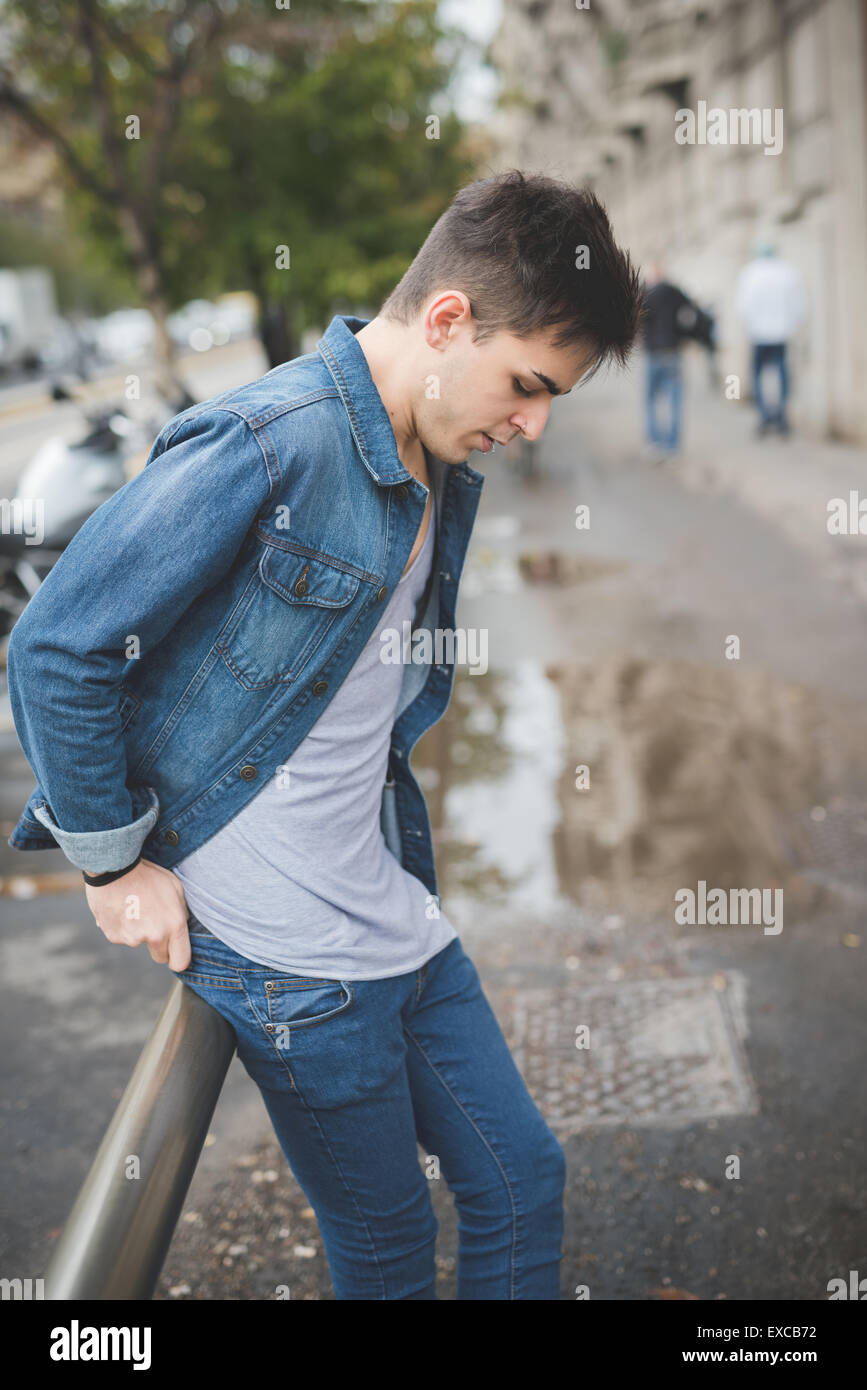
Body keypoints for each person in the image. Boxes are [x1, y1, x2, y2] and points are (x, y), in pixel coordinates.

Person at [6, 171, 642, 1300]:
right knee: (388, 1252)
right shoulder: (273, 439)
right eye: (529, 385)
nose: (534, 425)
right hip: (292, 965)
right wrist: (112, 860)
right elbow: (56, 642)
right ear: (447, 320)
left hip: (390, 904)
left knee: (519, 1178)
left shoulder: (437, 459)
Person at [736, 241, 806, 436]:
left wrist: (748, 327)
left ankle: (764, 417)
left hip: (758, 333)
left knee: (758, 375)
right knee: (782, 375)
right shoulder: (788, 272)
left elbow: (743, 306)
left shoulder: (750, 273)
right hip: (782, 332)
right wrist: (794, 325)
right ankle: (782, 416)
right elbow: (798, 304)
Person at [640, 261, 707, 462]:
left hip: (653, 353)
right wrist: (688, 335)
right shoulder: (675, 292)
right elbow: (695, 312)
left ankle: (655, 444)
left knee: (651, 400)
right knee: (674, 400)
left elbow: (637, 322)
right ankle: (673, 447)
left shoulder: (646, 294)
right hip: (673, 352)